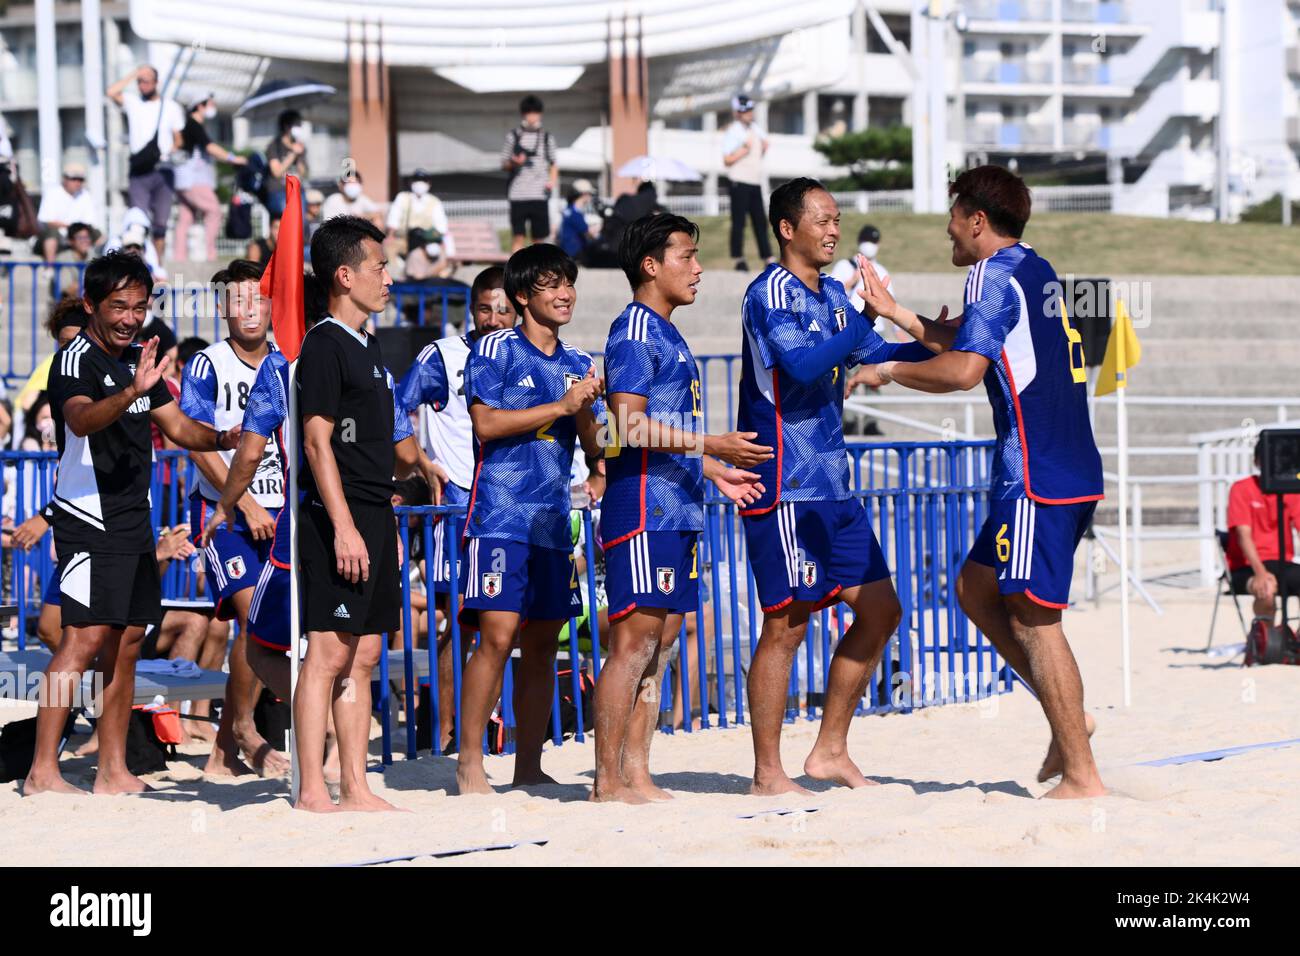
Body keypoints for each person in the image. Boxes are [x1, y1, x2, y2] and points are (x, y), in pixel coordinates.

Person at [854, 164, 1107, 799]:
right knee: (975, 587)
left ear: (976, 219)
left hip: (1035, 475)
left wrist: (886, 373)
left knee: (1034, 618)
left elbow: (966, 369)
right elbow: (975, 341)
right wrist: (897, 316)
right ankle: (1068, 720)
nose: (946, 226)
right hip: (1069, 466)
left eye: (953, 214)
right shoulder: (1032, 267)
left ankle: (1080, 772)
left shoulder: (989, 275)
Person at [736, 177, 932, 796]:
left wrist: (941, 337)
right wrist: (863, 319)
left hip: (834, 487)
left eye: (838, 219)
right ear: (787, 228)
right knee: (786, 626)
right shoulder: (767, 291)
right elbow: (803, 364)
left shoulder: (833, 299)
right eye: (821, 219)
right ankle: (768, 773)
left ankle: (828, 751)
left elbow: (878, 354)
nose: (833, 229)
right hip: (784, 486)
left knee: (881, 611)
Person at [21, 250, 239, 797]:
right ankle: (42, 772)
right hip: (87, 518)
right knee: (82, 641)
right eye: (119, 306)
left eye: (139, 307)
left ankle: (112, 770)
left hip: (133, 522)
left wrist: (224, 437)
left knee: (127, 642)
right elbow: (79, 418)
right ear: (92, 304)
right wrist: (129, 394)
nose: (130, 317)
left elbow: (182, 429)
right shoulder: (75, 358)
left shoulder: (138, 358)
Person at [592, 214, 771, 803]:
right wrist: (710, 444)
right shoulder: (636, 331)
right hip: (642, 508)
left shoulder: (668, 332)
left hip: (678, 508)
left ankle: (636, 772)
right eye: (687, 257)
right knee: (634, 644)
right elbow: (625, 423)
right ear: (651, 265)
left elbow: (661, 427)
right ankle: (606, 780)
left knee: (662, 644)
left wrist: (712, 469)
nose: (698, 269)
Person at [455, 244, 603, 794]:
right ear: (522, 296)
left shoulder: (578, 363)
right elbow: (486, 425)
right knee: (495, 638)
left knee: (544, 643)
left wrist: (588, 414)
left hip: (551, 521)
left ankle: (528, 765)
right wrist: (562, 407)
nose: (564, 293)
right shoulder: (495, 348)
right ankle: (470, 759)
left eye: (568, 283)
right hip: (498, 516)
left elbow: (599, 444)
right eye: (551, 284)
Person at [293, 215, 419, 812]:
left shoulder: (369, 348)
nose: (389, 278)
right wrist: (342, 525)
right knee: (328, 652)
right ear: (344, 275)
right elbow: (317, 444)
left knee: (365, 654)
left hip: (375, 511)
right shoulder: (322, 345)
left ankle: (357, 786)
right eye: (379, 266)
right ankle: (312, 787)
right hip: (333, 516)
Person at [397, 266, 515, 751]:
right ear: (472, 309)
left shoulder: (535, 354)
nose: (493, 318)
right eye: (484, 308)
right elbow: (393, 408)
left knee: (506, 618)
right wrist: (420, 464)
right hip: (458, 504)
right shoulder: (442, 356)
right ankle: (447, 733)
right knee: (456, 616)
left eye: (503, 309)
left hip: (513, 502)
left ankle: (500, 728)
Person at [179, 258, 288, 776]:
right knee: (253, 617)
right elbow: (197, 445)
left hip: (283, 511)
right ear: (224, 307)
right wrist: (242, 501)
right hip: (227, 517)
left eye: (259, 299)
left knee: (278, 626)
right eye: (239, 299)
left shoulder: (289, 360)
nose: (250, 310)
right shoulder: (207, 364)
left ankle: (223, 752)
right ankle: (244, 727)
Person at [106, 65, 185, 264]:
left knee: (160, 224)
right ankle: (136, 264)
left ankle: (158, 267)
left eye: (147, 80)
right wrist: (134, 73)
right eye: (140, 81)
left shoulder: (171, 107)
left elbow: (179, 139)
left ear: (156, 83)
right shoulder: (133, 103)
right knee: (137, 220)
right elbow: (111, 92)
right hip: (139, 170)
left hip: (163, 169)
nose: (142, 85)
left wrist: (168, 152)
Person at [1225, 442, 1300, 625]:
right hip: (1245, 566)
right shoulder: (1242, 488)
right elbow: (1243, 535)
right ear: (1257, 462)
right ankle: (1265, 642)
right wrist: (1260, 572)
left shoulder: (1291, 493)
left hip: (1282, 563)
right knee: (1265, 589)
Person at [174, 93, 246, 263]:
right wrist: (233, 158)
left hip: (183, 180)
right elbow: (211, 147)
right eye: (210, 104)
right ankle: (209, 254)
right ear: (200, 105)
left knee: (186, 217)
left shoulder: (190, 125)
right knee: (214, 211)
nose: (213, 107)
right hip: (193, 180)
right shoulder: (194, 125)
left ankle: (179, 258)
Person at [500, 95, 558, 252]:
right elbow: (503, 163)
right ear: (523, 114)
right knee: (518, 237)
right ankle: (514, 272)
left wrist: (551, 182)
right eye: (528, 112)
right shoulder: (513, 136)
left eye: (535, 112)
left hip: (539, 194)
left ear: (540, 114)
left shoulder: (547, 137)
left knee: (539, 239)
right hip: (518, 194)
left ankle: (538, 273)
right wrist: (514, 162)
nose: (532, 116)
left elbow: (553, 163)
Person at [721, 93, 772, 273]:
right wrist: (744, 150)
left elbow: (763, 145)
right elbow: (726, 159)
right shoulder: (733, 131)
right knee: (739, 222)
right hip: (739, 181)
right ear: (737, 113)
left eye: (750, 110)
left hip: (754, 181)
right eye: (745, 111)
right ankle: (738, 258)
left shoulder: (755, 128)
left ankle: (767, 257)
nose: (749, 113)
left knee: (760, 220)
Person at [36, 163, 99, 263]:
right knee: (51, 234)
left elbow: (89, 222)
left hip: (77, 233)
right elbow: (47, 221)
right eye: (74, 179)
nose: (77, 182)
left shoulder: (85, 195)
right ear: (65, 179)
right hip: (58, 235)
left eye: (81, 180)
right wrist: (71, 227)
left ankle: (97, 268)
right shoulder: (52, 193)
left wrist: (76, 230)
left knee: (98, 235)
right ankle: (51, 269)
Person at [386, 169, 454, 258]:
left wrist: (437, 238)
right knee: (388, 249)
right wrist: (390, 236)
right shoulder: (402, 197)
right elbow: (393, 218)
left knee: (433, 250)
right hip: (404, 239)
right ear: (411, 183)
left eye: (423, 181)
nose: (419, 183)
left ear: (429, 184)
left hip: (426, 241)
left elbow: (441, 226)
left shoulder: (434, 202)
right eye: (416, 180)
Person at [265, 109, 309, 218]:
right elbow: (276, 172)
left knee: (302, 222)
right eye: (296, 124)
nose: (299, 127)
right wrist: (293, 153)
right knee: (285, 222)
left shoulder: (300, 146)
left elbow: (303, 173)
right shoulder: (274, 146)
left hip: (297, 191)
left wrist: (299, 156)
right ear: (286, 126)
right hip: (279, 191)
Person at [557, 179, 596, 261]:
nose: (590, 197)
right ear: (584, 194)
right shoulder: (576, 213)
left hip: (566, 249)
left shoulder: (569, 210)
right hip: (575, 252)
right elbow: (588, 232)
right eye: (590, 194)